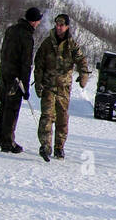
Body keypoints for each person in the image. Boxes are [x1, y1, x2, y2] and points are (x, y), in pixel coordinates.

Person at [33, 13, 90, 161]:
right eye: (57, 24)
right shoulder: (47, 44)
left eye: (62, 25)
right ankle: (45, 145)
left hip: (64, 88)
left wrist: (84, 75)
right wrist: (38, 82)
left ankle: (59, 146)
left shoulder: (72, 45)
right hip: (48, 86)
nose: (59, 27)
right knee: (47, 115)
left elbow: (82, 61)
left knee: (62, 118)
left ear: (67, 26)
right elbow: (38, 64)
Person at [0, 6, 41, 153]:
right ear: (34, 21)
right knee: (12, 109)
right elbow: (26, 64)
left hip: (5, 73)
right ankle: (7, 142)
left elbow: (3, 52)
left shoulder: (10, 30)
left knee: (4, 105)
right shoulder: (26, 37)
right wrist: (25, 87)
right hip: (16, 79)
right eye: (38, 20)